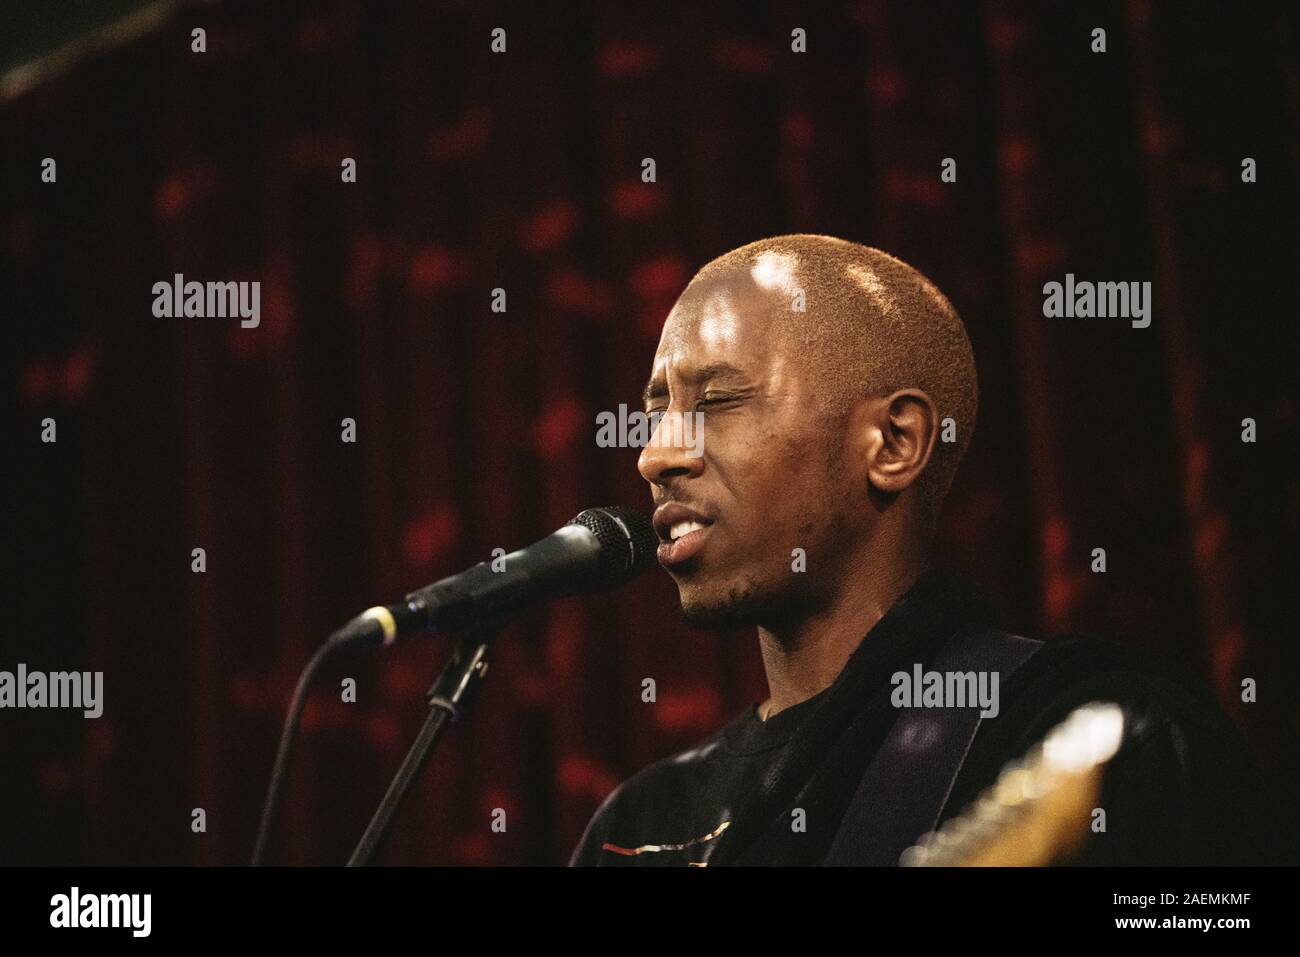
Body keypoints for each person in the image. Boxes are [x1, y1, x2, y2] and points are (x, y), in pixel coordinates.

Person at [569, 234, 1274, 866]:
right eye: (656, 413)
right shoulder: (635, 826)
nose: (654, 455)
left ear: (896, 443)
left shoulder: (1095, 737)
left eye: (718, 402)